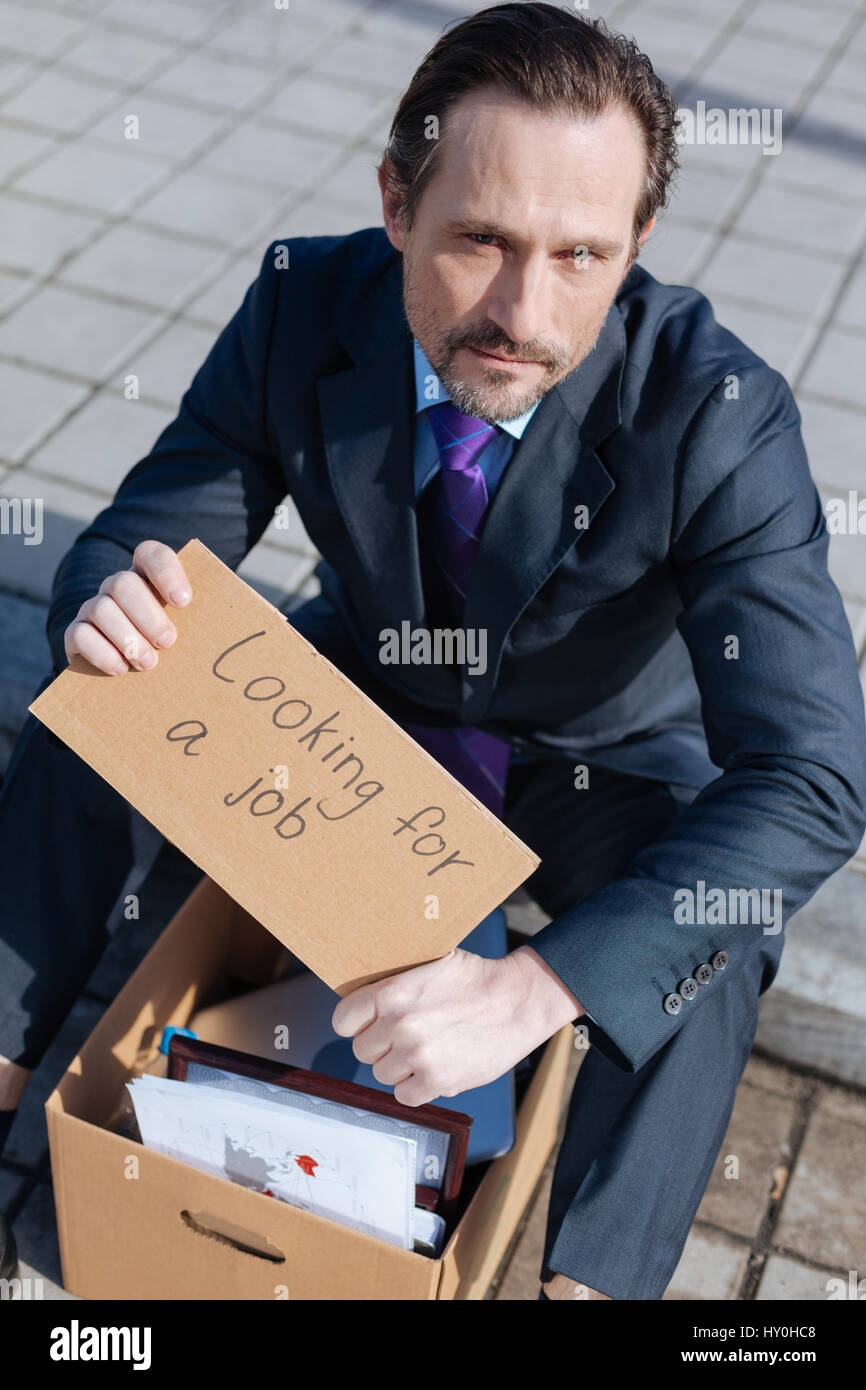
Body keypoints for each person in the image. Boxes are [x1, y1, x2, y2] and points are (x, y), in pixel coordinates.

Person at [1, 5, 864, 1300]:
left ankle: (583, 1285)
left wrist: (540, 985)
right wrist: (104, 590)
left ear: (637, 242)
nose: (524, 310)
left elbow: (809, 777)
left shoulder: (719, 410)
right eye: (480, 240)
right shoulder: (306, 300)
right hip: (370, 699)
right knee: (100, 694)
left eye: (583, 255)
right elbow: (159, 514)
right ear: (396, 200)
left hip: (602, 759)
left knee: (717, 924)